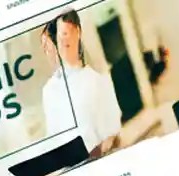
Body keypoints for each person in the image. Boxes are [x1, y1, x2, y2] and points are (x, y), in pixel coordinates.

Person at [41, 9, 122, 159]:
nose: (49, 52)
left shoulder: (95, 80)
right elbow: (53, 138)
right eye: (44, 48)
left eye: (51, 44)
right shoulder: (49, 91)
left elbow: (113, 135)